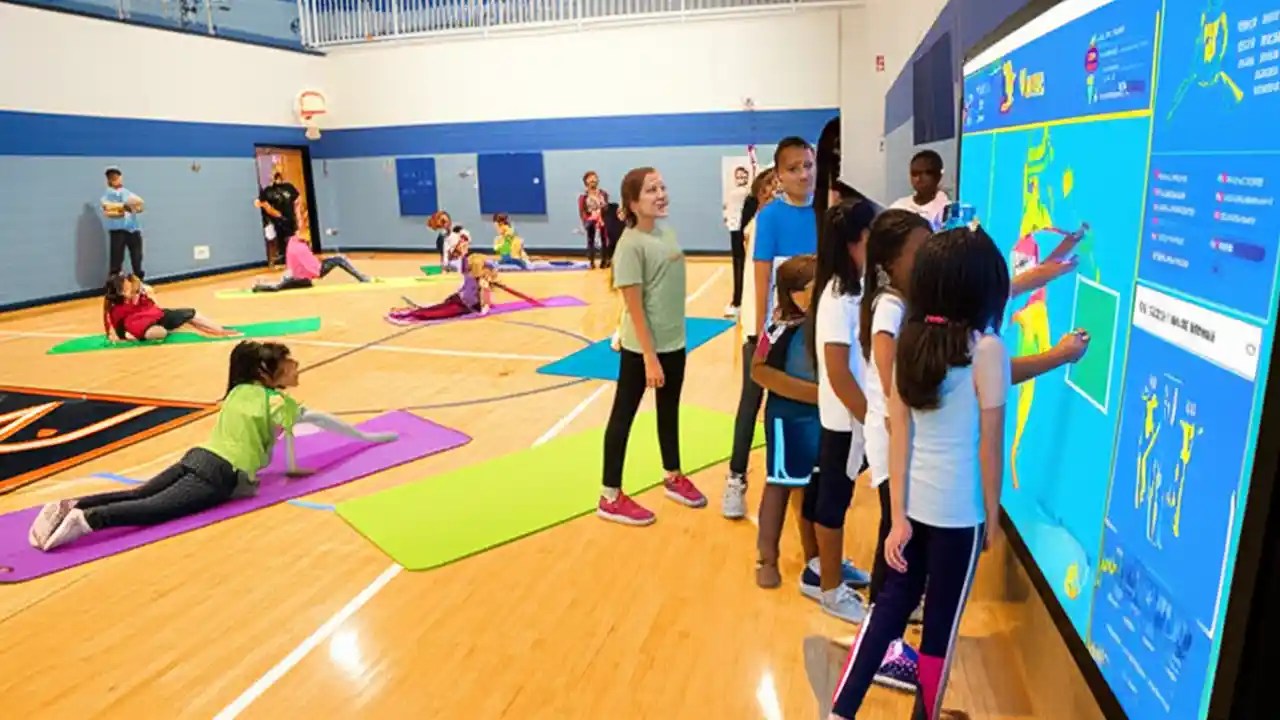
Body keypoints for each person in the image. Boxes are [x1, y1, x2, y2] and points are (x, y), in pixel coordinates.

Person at [851, 214, 1093, 696]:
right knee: (930, 617)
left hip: (914, 491)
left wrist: (1051, 264)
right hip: (951, 510)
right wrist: (990, 515)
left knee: (897, 591)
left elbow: (907, 423)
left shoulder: (918, 328)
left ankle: (851, 699)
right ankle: (913, 687)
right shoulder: (976, 348)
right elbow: (989, 432)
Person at [830, 225, 1012, 720]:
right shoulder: (987, 349)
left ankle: (841, 710)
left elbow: (900, 433)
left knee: (888, 608)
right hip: (959, 517)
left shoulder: (911, 338)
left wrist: (899, 516)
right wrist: (991, 517)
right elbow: (989, 448)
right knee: (939, 629)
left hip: (913, 505)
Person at [27, 341, 398, 551]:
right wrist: (367, 438)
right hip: (217, 475)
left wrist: (289, 462)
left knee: (142, 493)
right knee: (152, 509)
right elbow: (321, 422)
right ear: (267, 374)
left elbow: (283, 445)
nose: (296, 371)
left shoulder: (239, 390)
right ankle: (88, 519)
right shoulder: (278, 403)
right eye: (290, 366)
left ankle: (71, 504)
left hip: (197, 456)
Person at [597, 167, 705, 525]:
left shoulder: (664, 230)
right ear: (632, 202)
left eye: (662, 186)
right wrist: (649, 358)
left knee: (669, 410)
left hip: (675, 340)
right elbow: (634, 306)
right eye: (650, 190)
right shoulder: (629, 246)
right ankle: (609, 495)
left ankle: (672, 475)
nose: (660, 194)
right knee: (623, 416)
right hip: (643, 348)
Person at [723, 137, 816, 519]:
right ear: (778, 175)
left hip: (812, 335)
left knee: (807, 407)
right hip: (773, 331)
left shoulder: (827, 214)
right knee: (753, 401)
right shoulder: (770, 218)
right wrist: (762, 333)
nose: (803, 174)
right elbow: (761, 280)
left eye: (808, 165)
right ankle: (736, 479)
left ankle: (806, 478)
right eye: (793, 169)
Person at [805, 199, 878, 623]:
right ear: (858, 241)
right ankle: (831, 589)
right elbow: (837, 371)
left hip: (852, 417)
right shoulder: (838, 296)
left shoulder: (857, 288)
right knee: (834, 500)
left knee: (831, 495)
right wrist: (873, 417)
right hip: (845, 420)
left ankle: (824, 570)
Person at [751, 255, 819, 587]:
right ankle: (766, 557)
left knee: (813, 489)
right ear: (793, 293)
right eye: (812, 288)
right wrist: (814, 394)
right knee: (780, 484)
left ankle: (816, 557)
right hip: (787, 421)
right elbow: (759, 369)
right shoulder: (780, 326)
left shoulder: (825, 322)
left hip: (820, 422)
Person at [103, 274, 239, 342]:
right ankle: (214, 331)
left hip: (157, 316)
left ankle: (219, 331)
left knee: (191, 314)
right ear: (120, 292)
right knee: (159, 333)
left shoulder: (138, 294)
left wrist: (144, 294)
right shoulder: (117, 309)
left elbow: (154, 306)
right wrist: (122, 337)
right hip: (143, 326)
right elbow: (118, 327)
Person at [387, 254, 494, 324]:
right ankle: (408, 313)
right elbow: (485, 302)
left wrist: (486, 297)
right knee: (435, 311)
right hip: (459, 302)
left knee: (436, 311)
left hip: (461, 303)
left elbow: (485, 301)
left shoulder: (475, 277)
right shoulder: (471, 275)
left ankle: (408, 313)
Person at [253, 234, 372, 292]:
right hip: (307, 275)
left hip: (302, 276)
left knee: (281, 285)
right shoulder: (297, 246)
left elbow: (306, 261)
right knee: (340, 259)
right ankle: (362, 278)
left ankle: (261, 285)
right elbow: (310, 265)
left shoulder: (293, 247)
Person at [101, 167, 146, 280]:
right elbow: (110, 211)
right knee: (116, 260)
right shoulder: (107, 195)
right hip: (118, 232)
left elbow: (140, 205)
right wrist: (124, 208)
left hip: (133, 229)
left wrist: (136, 208)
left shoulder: (127, 192)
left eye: (119, 178)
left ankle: (139, 283)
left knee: (137, 258)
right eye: (114, 178)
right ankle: (114, 288)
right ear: (109, 180)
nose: (117, 180)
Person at [890, 150, 951, 227]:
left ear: (938, 176)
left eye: (926, 173)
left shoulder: (946, 210)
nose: (918, 179)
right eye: (914, 174)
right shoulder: (899, 206)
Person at [256, 171, 301, 267]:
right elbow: (262, 203)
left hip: (290, 218)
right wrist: (275, 213)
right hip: (277, 220)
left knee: (292, 238)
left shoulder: (289, 187)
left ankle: (294, 258)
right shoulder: (268, 190)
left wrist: (299, 217)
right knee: (279, 239)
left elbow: (297, 201)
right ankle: (281, 257)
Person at [724, 164, 751, 318]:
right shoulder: (734, 193)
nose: (741, 179)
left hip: (746, 230)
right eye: (738, 176)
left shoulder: (748, 194)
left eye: (744, 176)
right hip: (735, 230)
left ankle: (741, 301)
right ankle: (738, 300)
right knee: (738, 264)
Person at [578, 171, 610, 269]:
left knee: (604, 240)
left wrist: (604, 207)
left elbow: (606, 208)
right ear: (586, 181)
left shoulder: (603, 194)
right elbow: (582, 211)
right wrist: (586, 222)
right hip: (591, 220)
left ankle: (604, 260)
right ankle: (591, 261)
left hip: (602, 219)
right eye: (590, 178)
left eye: (594, 178)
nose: (593, 180)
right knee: (590, 240)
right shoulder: (583, 197)